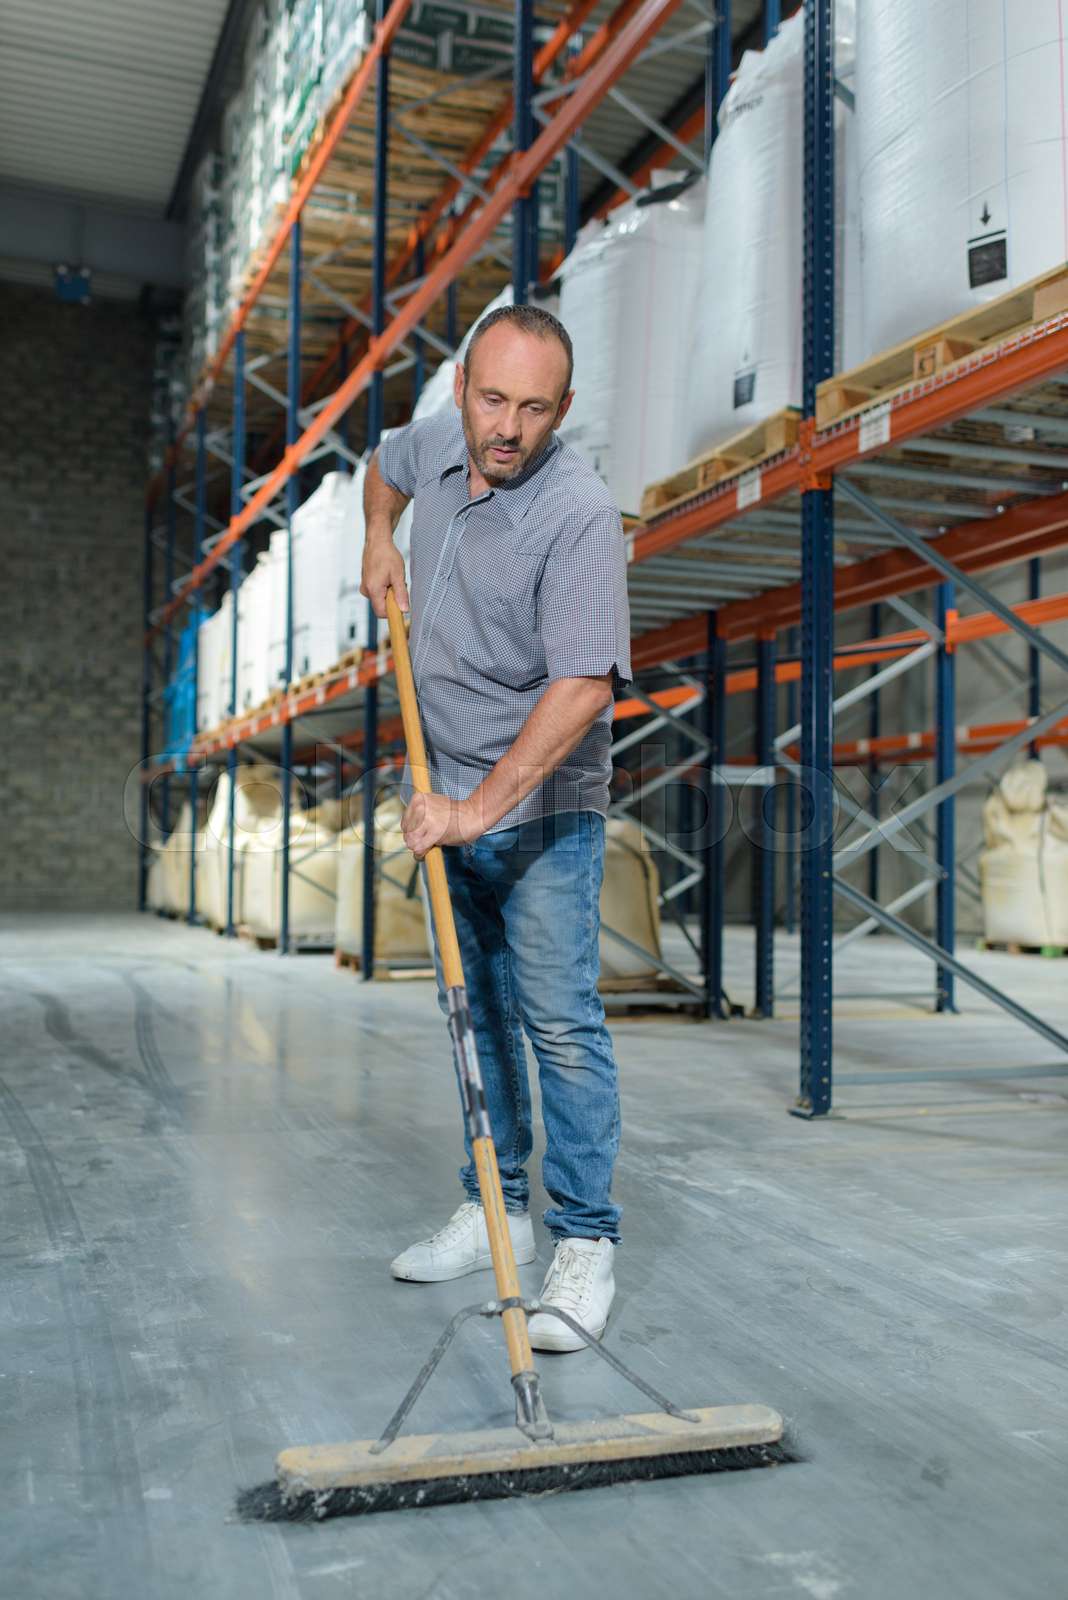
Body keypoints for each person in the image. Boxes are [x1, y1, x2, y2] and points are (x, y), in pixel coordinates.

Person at [360, 303, 631, 1352]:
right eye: (492, 399)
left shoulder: (579, 514)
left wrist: (477, 811)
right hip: (445, 789)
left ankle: (586, 1241)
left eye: (534, 408)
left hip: (542, 805)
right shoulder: (440, 441)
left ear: (565, 409)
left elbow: (584, 686)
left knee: (557, 1021)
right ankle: (496, 1209)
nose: (507, 427)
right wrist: (379, 538)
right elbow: (382, 467)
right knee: (474, 1011)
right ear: (463, 386)